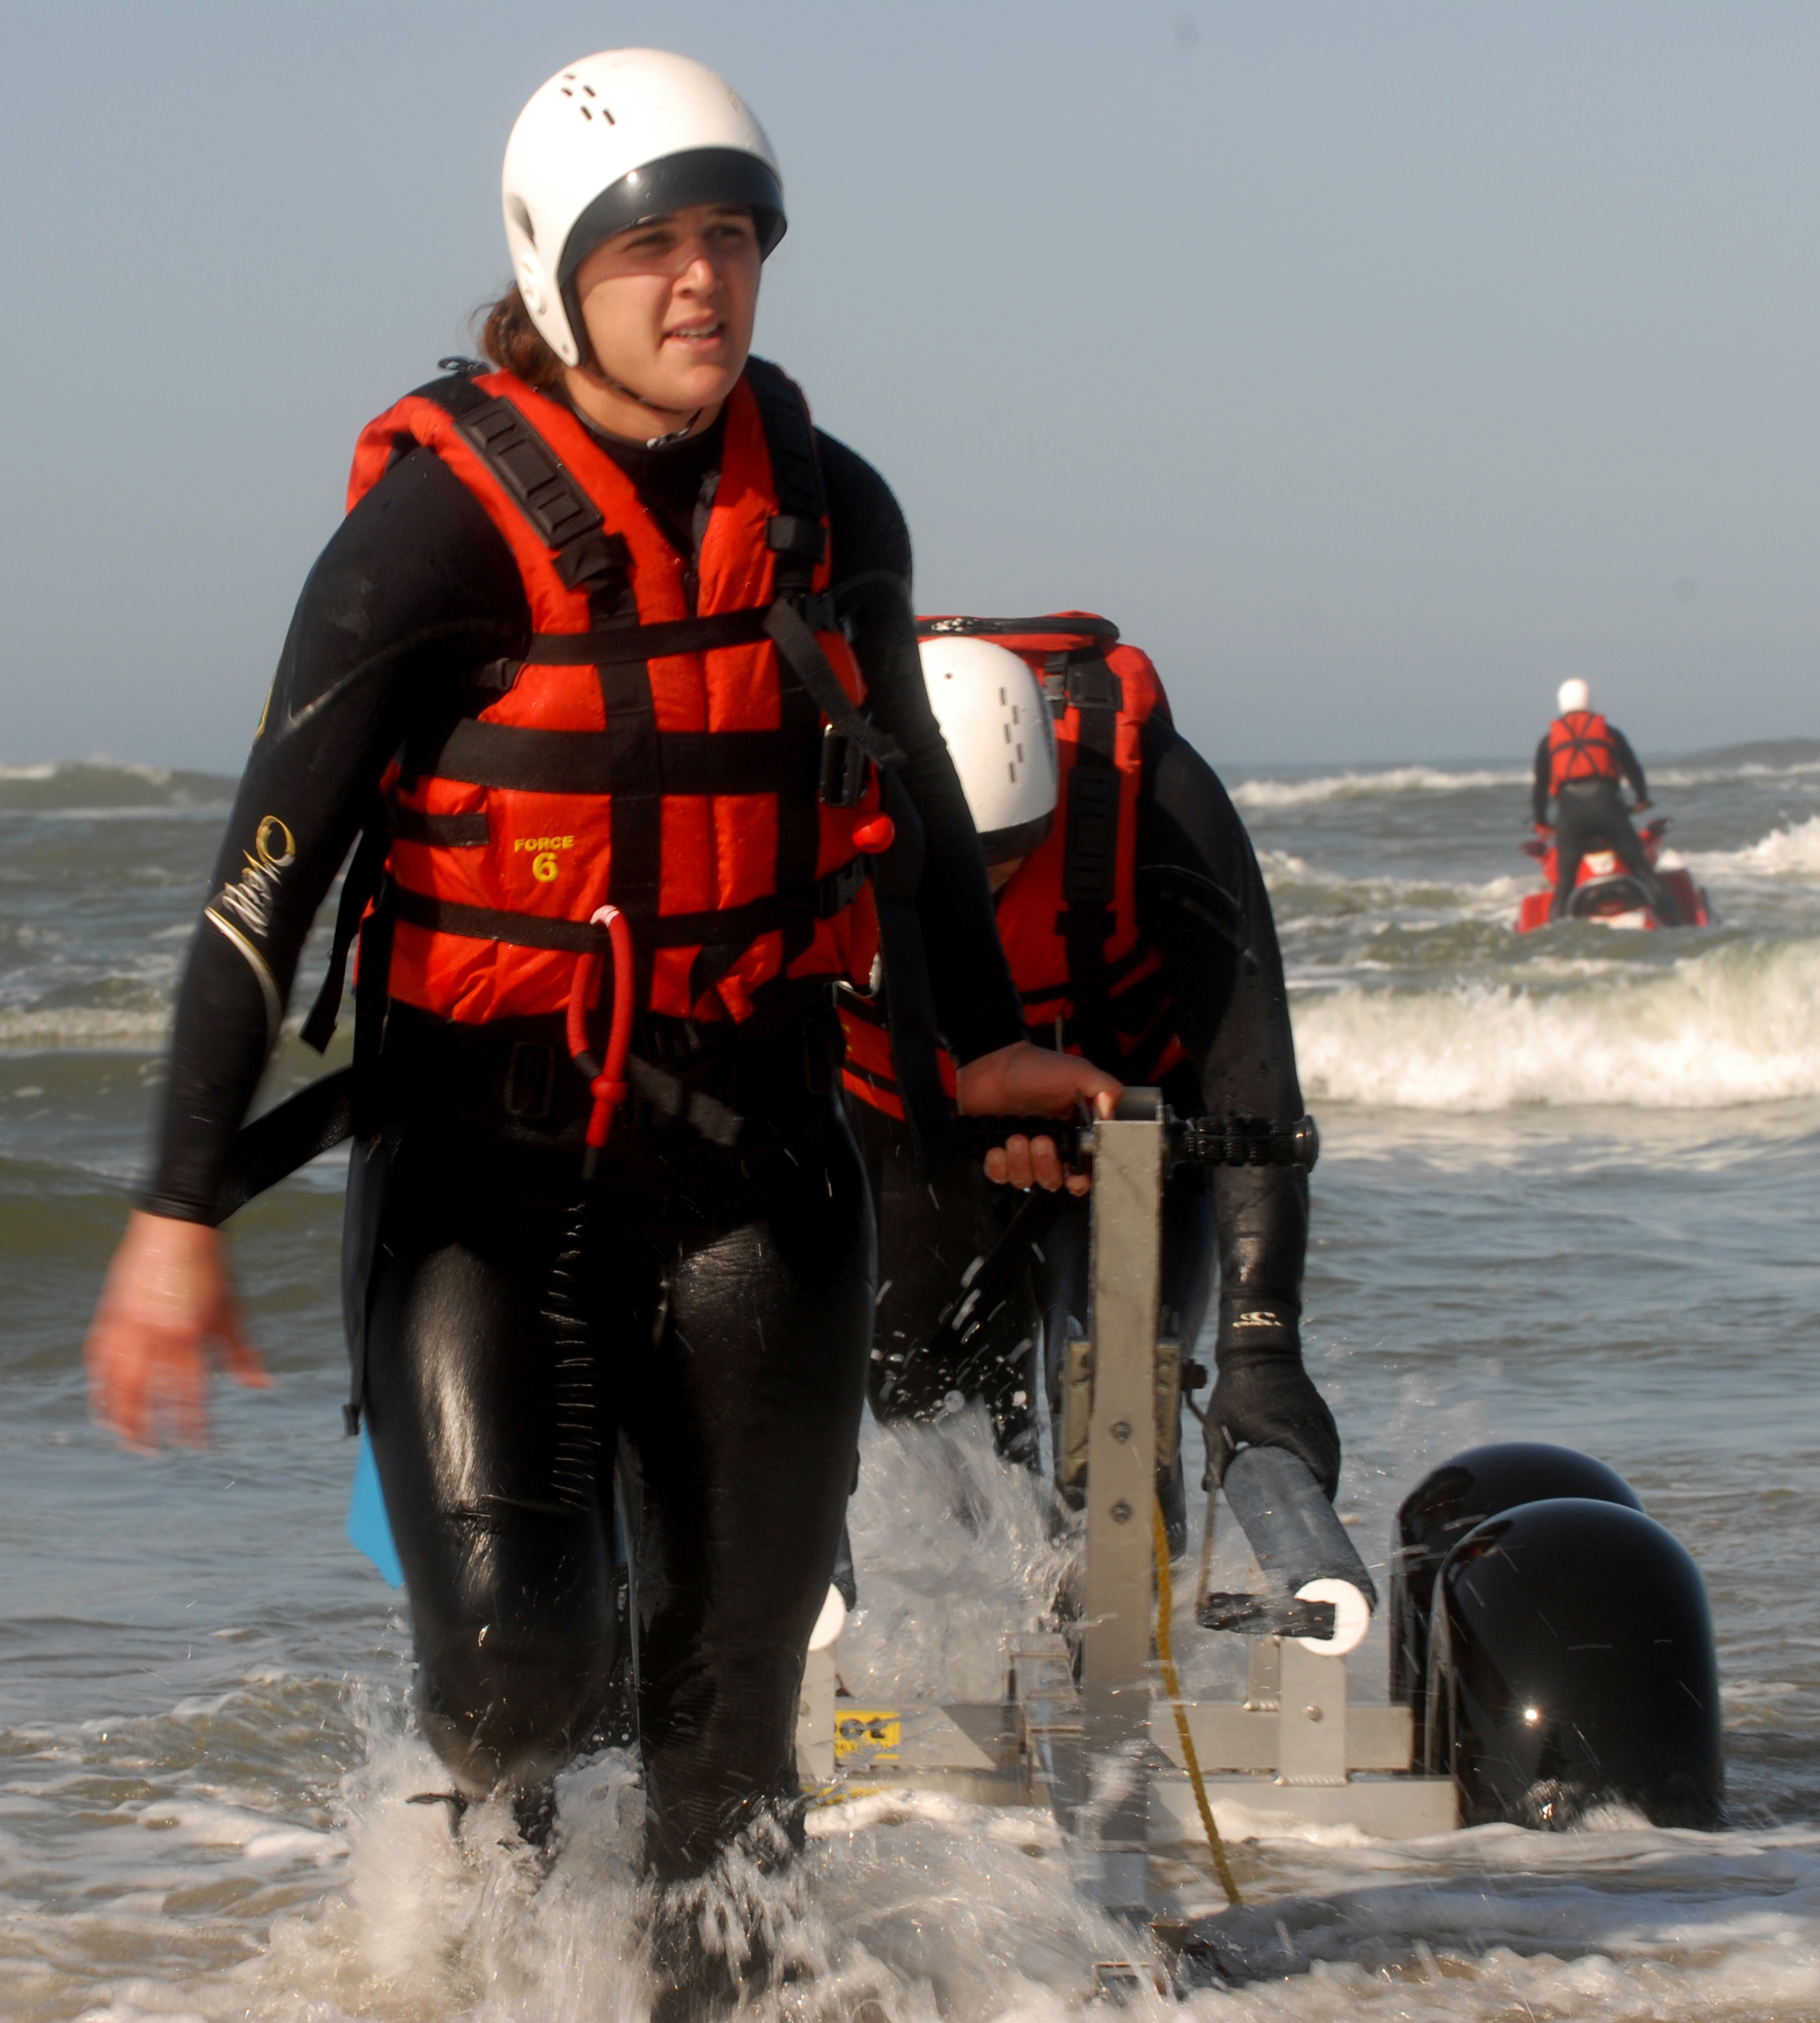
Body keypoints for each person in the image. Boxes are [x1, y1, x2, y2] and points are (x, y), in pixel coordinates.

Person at [80, 52, 1113, 2014]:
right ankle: (478, 1891)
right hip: (487, 1165)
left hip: (758, 1160)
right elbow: (260, 881)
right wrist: (173, 1204)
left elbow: (896, 805)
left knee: (736, 1749)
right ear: (558, 271)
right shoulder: (436, 539)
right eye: (652, 246)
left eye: (731, 239)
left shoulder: (831, 510)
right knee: (514, 1684)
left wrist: (977, 1045)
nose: (702, 283)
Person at [839, 615, 1340, 1540]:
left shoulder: (1161, 803)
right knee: (922, 1407)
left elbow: (1253, 1087)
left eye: (996, 866)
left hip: (1130, 1122)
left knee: (1116, 1410)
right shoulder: (807, 816)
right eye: (939, 874)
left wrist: (1261, 1343)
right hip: (912, 1128)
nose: (969, 904)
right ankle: (982, 1630)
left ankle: (1119, 1643)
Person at [1533, 678, 1682, 925]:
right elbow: (1634, 770)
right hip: (1608, 810)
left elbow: (1540, 789)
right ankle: (1677, 930)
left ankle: (1555, 942)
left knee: (1564, 885)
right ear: (1590, 701)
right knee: (1644, 872)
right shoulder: (1610, 733)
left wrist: (1541, 822)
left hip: (1571, 817)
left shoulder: (1549, 741)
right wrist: (1642, 799)